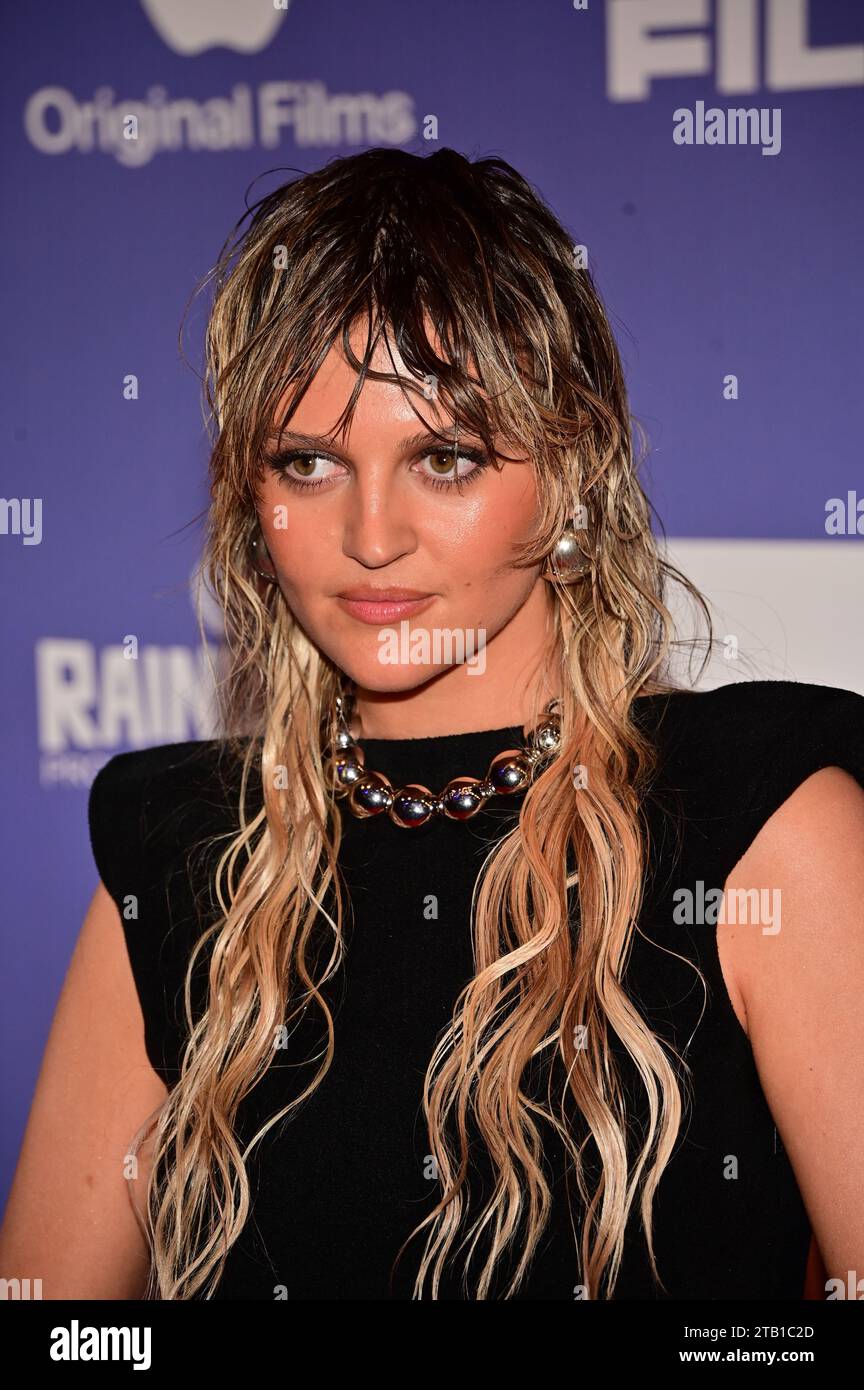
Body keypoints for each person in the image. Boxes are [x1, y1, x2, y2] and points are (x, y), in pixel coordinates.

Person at [2, 147, 863, 1302]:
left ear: (572, 463)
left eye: (444, 458)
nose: (370, 533)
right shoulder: (177, 844)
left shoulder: (764, 816)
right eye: (305, 464)